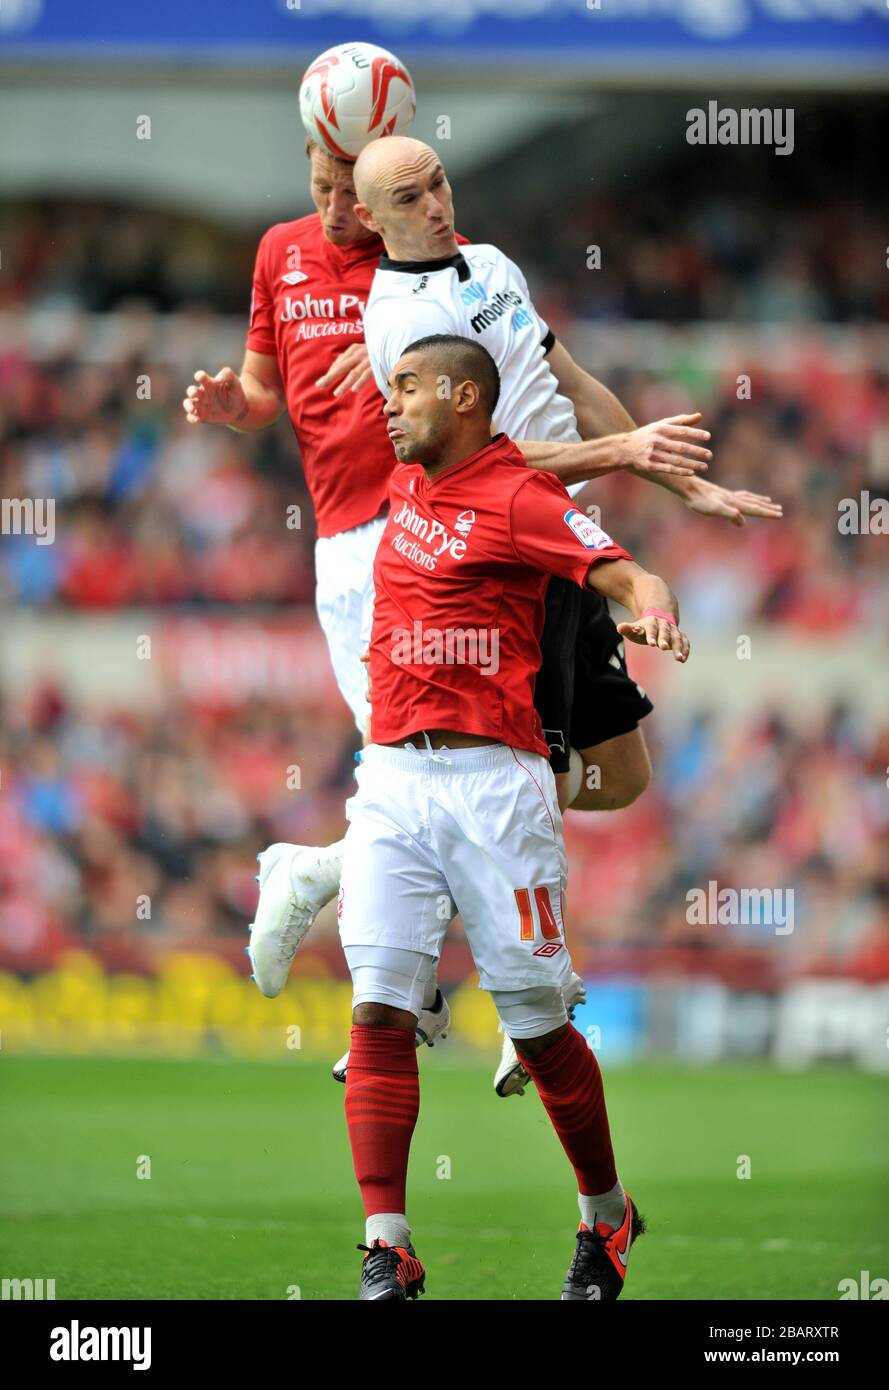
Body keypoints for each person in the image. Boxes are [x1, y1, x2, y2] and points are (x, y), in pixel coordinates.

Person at [341, 332, 689, 1300]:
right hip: (391, 779)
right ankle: (386, 1246)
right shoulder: (407, 477)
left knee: (536, 1027)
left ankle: (605, 1213)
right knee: (378, 1009)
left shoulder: (519, 501)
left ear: (460, 396)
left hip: (497, 784)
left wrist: (653, 609)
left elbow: (626, 574)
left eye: (406, 387)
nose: (389, 401)